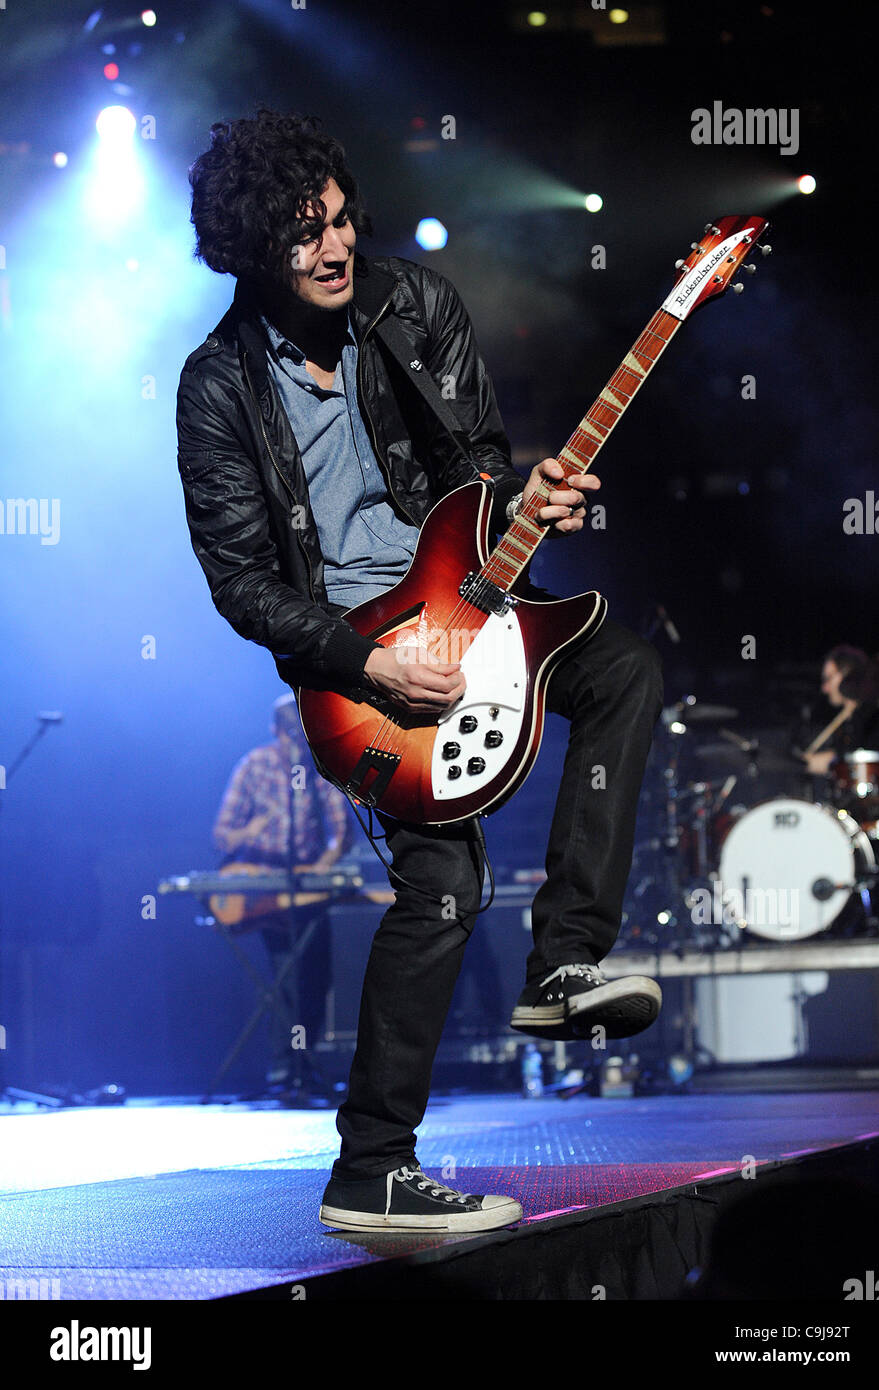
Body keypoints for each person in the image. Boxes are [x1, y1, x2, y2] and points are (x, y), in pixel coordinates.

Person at [177, 108, 663, 1232]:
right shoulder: (217, 389)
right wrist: (371, 663)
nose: (336, 248)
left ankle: (566, 966)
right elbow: (241, 582)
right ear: (252, 248)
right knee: (442, 887)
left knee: (622, 669)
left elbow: (480, 469)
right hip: (361, 670)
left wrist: (535, 499)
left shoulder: (417, 305)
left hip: (475, 596)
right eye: (304, 236)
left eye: (342, 220)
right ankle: (372, 1170)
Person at [213, 694, 349, 1103]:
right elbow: (222, 836)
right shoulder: (254, 766)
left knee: (317, 977)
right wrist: (253, 829)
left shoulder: (318, 767)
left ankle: (307, 1068)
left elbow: (340, 830)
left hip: (305, 889)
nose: (298, 745)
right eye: (292, 735)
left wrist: (324, 864)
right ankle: (284, 1069)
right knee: (285, 975)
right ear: (276, 732)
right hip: (262, 890)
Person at [803, 645, 879, 775]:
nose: (824, 688)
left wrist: (834, 761)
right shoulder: (843, 721)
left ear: (849, 674)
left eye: (828, 678)